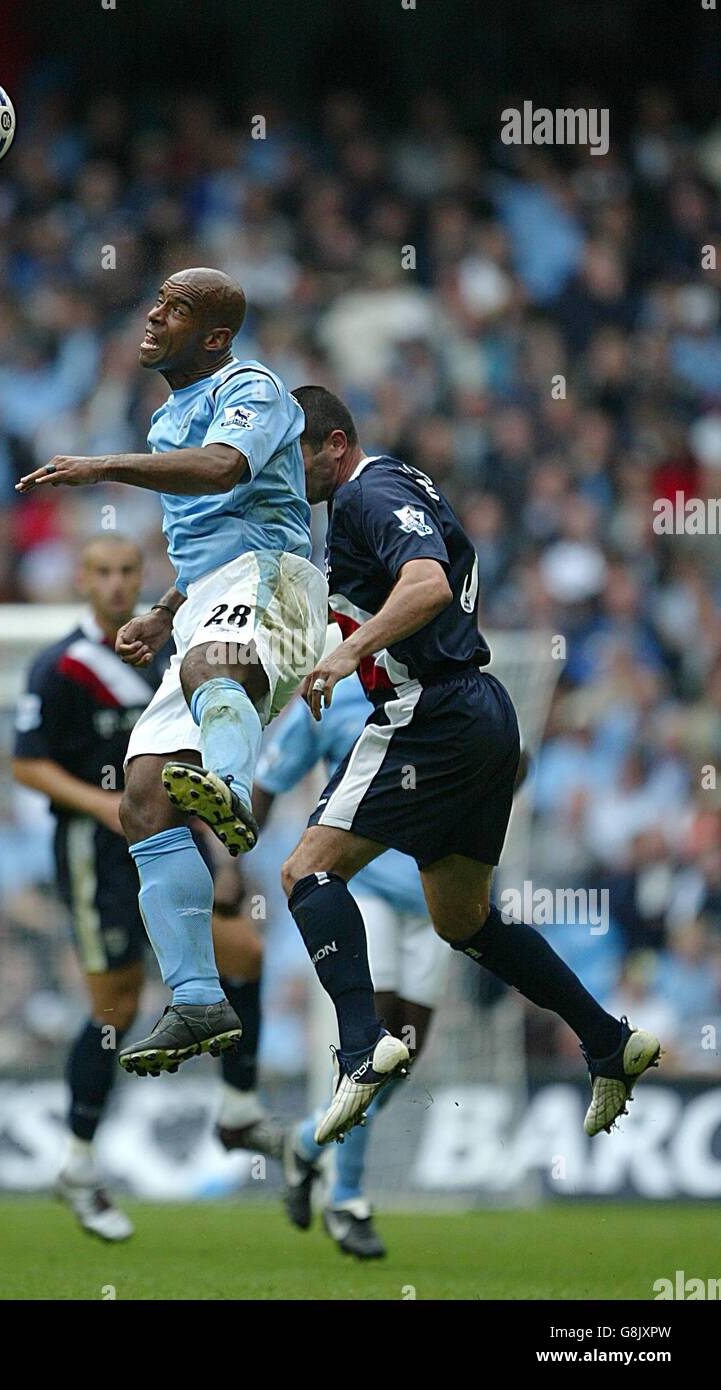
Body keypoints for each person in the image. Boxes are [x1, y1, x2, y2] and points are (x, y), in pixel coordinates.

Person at [279, 386, 661, 1145]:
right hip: (483, 716)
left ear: (332, 443)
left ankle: (360, 1045)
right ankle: (607, 1040)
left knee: (304, 872)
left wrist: (348, 653)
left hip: (428, 714)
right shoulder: (395, 489)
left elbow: (425, 584)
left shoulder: (367, 493)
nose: (289, 475)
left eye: (295, 456)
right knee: (462, 918)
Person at [17, 269, 328, 1078]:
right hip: (206, 603)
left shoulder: (251, 386)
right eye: (155, 301)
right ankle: (196, 1000)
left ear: (215, 336)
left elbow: (225, 469)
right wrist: (162, 605)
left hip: (276, 582)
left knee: (209, 665)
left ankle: (228, 785)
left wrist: (100, 467)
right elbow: (201, 541)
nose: (153, 315)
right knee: (143, 795)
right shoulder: (165, 419)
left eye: (175, 308)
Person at [13, 534, 281, 1242]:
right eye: (101, 571)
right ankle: (76, 1160)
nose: (114, 583)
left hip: (170, 838)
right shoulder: (61, 667)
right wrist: (103, 805)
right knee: (117, 1007)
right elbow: (27, 766)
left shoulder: (172, 653)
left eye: (127, 571)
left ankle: (238, 1107)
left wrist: (220, 851)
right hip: (95, 851)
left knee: (245, 953)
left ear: (141, 578)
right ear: (82, 578)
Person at [254, 669, 446, 1259]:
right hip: (360, 887)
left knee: (402, 1058)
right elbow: (267, 783)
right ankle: (347, 1198)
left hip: (438, 894)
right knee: (376, 1039)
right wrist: (224, 865)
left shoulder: (447, 682)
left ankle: (307, 1146)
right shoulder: (332, 691)